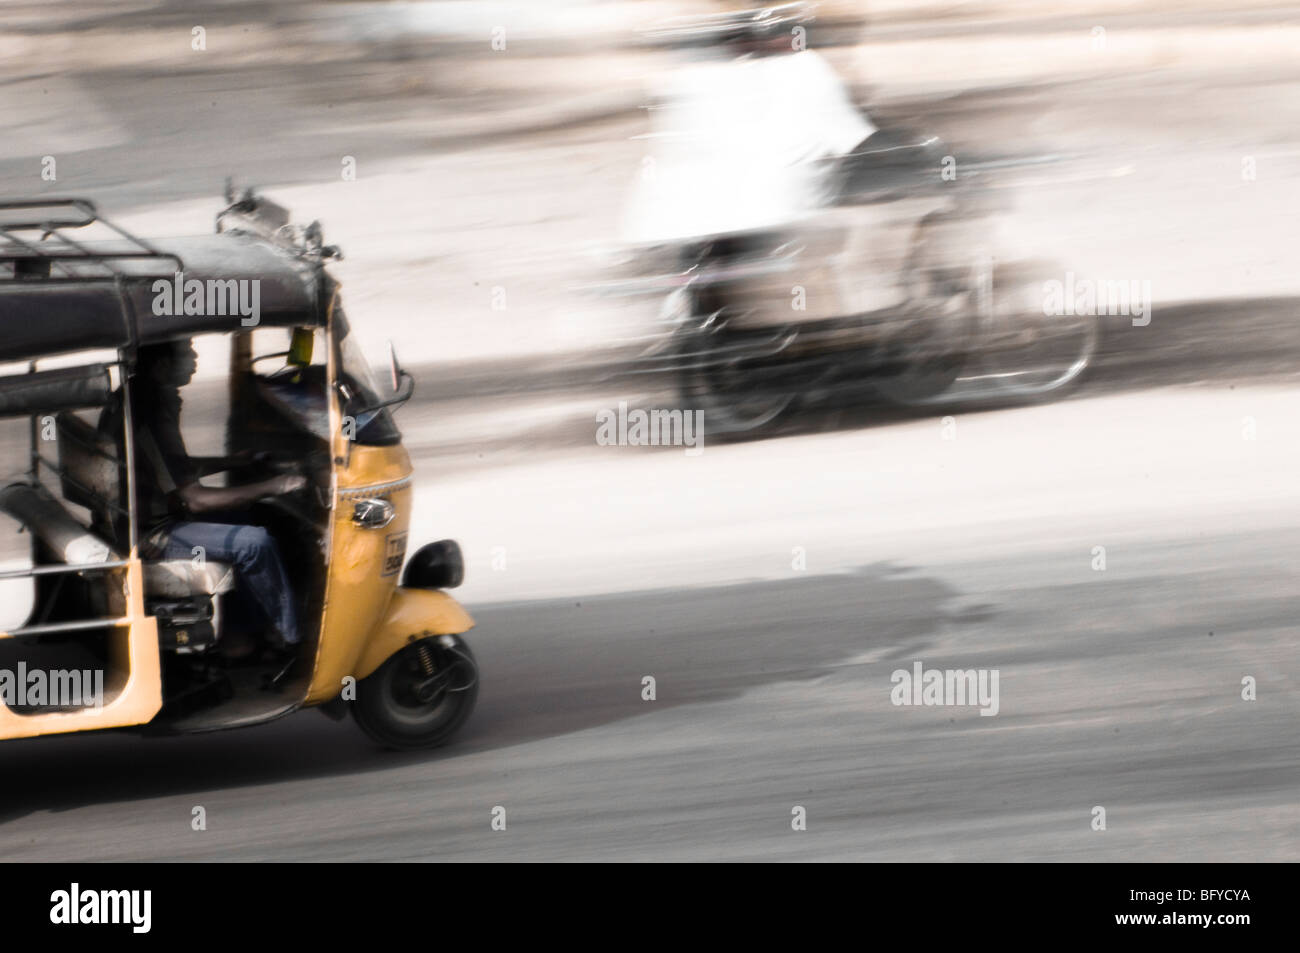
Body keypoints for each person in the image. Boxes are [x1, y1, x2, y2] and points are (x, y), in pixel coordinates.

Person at [103, 339, 306, 653]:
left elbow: (170, 468)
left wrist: (231, 462)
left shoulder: (137, 397)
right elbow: (194, 500)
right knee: (256, 543)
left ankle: (241, 634)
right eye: (187, 353)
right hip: (150, 535)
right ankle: (290, 641)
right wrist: (273, 486)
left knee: (245, 518)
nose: (195, 358)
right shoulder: (152, 411)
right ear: (161, 366)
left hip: (141, 519)